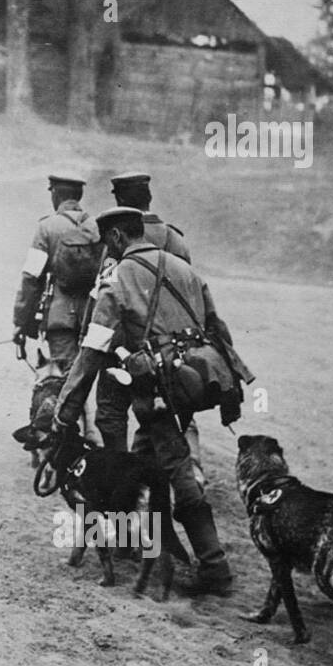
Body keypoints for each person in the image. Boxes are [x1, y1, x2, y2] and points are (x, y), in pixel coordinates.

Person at [53, 206, 237, 596]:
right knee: (145, 466)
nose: (107, 250)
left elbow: (91, 352)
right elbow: (218, 330)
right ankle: (136, 544)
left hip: (156, 392)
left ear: (118, 238)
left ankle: (214, 565)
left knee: (176, 468)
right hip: (189, 384)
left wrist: (66, 410)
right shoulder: (184, 268)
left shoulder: (118, 278)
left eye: (108, 242)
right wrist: (231, 389)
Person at [93, 172, 193, 454]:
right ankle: (159, 491)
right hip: (171, 351)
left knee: (111, 415)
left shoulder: (118, 237)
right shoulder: (176, 239)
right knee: (162, 423)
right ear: (148, 197)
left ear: (121, 200)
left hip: (125, 350)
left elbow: (106, 291)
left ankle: (121, 479)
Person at [12, 173, 101, 373]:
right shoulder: (98, 227)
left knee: (64, 381)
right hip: (95, 316)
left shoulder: (47, 227)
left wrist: (21, 322)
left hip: (60, 318)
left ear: (55, 194)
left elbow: (31, 278)